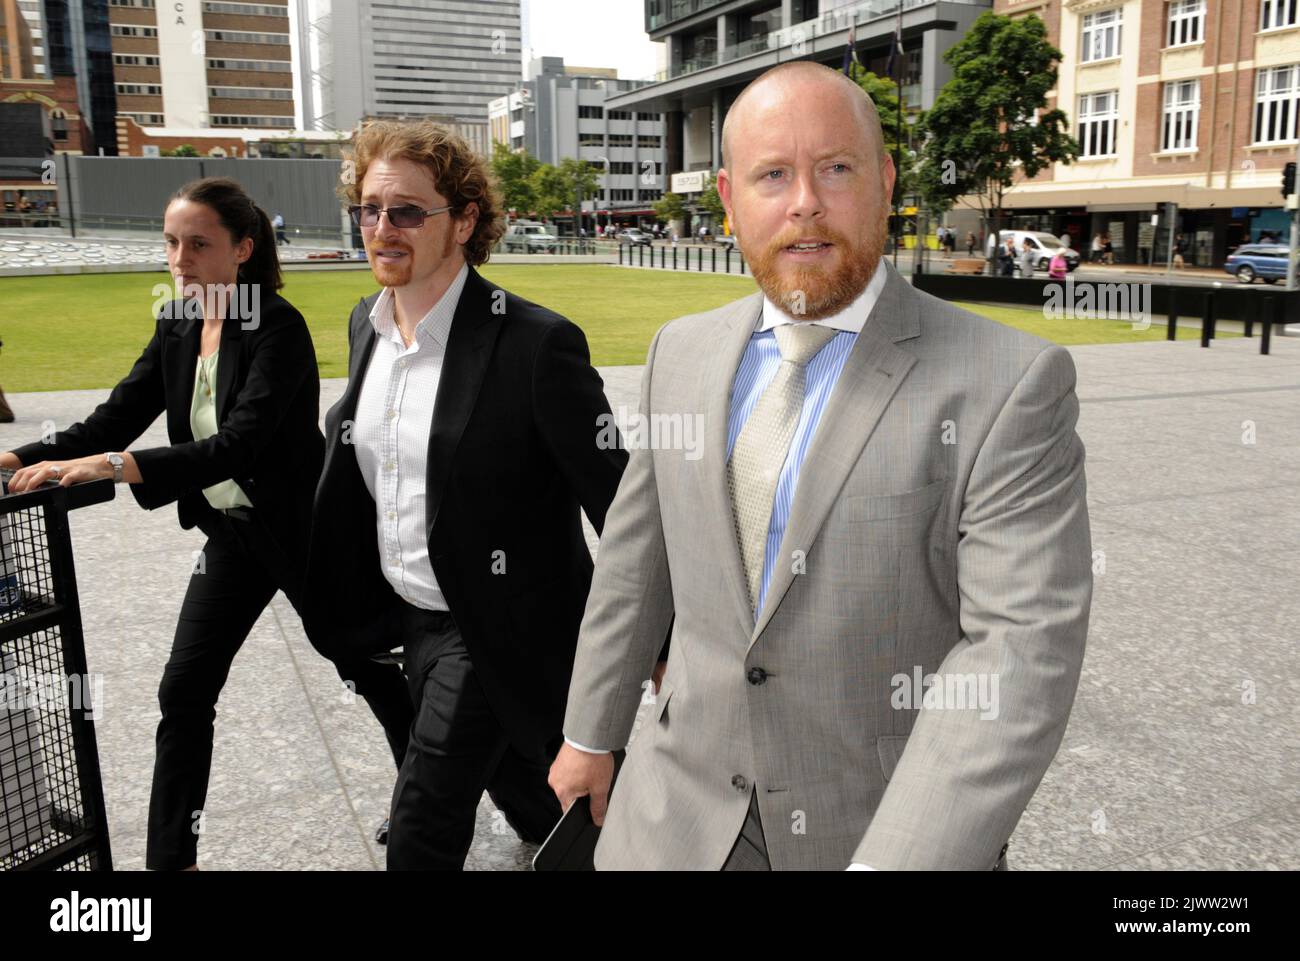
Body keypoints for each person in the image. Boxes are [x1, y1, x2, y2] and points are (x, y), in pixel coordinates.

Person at [549, 61, 1092, 871]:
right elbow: (635, 563)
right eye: (773, 174)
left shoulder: (1010, 383)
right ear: (730, 199)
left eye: (836, 168)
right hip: (673, 819)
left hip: (877, 831)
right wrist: (590, 732)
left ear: (885, 182)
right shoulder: (679, 354)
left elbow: (1017, 654)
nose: (804, 200)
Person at [304, 120, 628, 870]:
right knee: (532, 791)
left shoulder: (536, 344)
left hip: (497, 626)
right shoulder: (366, 326)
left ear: (465, 221)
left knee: (421, 825)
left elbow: (620, 501)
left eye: (407, 211)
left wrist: (659, 646)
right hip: (410, 618)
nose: (382, 228)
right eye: (369, 209)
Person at [0, 177, 324, 870]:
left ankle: (462, 801)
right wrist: (19, 455)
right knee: (184, 691)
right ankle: (171, 862)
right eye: (172, 242)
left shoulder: (277, 327)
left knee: (364, 666)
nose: (180, 259)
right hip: (233, 538)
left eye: (198, 244)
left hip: (305, 533)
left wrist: (113, 466)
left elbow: (237, 445)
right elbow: (113, 417)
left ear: (242, 248)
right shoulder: (177, 322)